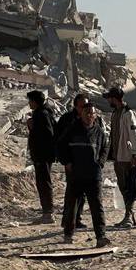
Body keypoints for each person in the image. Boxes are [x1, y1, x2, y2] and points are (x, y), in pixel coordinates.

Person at [56, 99, 110, 248]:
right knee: (72, 205)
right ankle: (68, 234)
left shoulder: (99, 132)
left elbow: (105, 147)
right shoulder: (72, 129)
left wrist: (100, 163)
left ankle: (101, 236)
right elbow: (60, 146)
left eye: (92, 113)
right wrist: (66, 162)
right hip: (76, 174)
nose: (89, 116)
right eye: (87, 113)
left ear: (95, 115)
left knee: (96, 206)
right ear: (81, 114)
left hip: (93, 175)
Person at [105, 86, 136, 228]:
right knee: (123, 187)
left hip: (126, 156)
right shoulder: (116, 113)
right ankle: (129, 215)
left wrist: (135, 153)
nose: (108, 100)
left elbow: (134, 135)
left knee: (129, 187)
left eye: (109, 98)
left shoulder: (128, 114)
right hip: (118, 156)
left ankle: (128, 216)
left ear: (114, 98)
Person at [54, 93, 89, 230]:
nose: (85, 109)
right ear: (75, 106)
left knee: (83, 193)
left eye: (86, 106)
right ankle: (68, 220)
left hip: (86, 163)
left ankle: (77, 218)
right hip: (72, 163)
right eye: (82, 106)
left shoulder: (90, 119)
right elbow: (59, 142)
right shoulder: (67, 120)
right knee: (72, 193)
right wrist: (66, 161)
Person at [25, 90, 57, 223]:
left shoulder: (41, 115)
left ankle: (48, 213)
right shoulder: (43, 113)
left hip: (42, 155)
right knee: (43, 182)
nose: (29, 103)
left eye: (30, 101)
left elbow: (47, 135)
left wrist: (33, 127)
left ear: (35, 101)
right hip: (42, 155)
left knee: (44, 183)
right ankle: (47, 212)